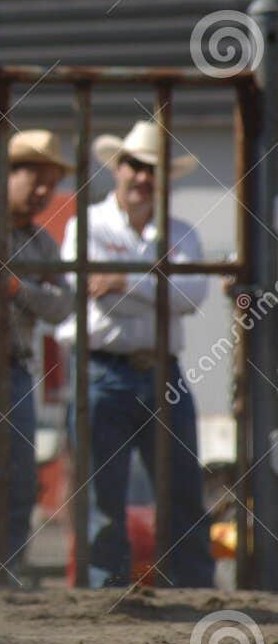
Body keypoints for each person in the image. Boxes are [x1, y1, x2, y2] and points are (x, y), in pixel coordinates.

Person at [57, 120, 214, 588]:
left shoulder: (178, 231)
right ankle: (107, 585)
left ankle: (190, 585)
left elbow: (192, 295)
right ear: (118, 168)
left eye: (152, 169)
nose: (143, 178)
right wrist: (156, 286)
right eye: (136, 167)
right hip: (106, 367)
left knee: (181, 486)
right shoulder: (86, 223)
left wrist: (126, 281)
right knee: (102, 490)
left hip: (152, 368)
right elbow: (82, 287)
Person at [2, 130, 73, 574]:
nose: (44, 192)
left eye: (51, 183)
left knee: (18, 479)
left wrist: (14, 287)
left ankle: (6, 568)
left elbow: (62, 304)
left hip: (11, 368)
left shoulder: (40, 241)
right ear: (9, 174)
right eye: (36, 179)